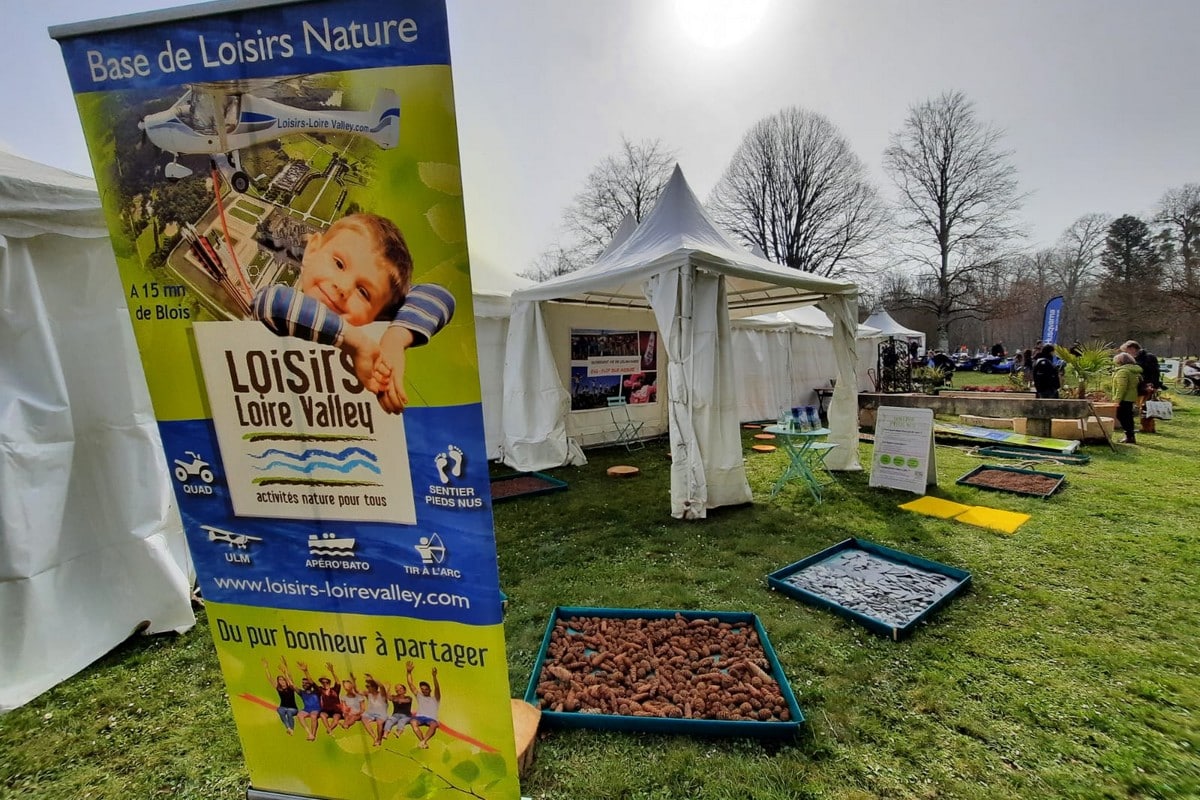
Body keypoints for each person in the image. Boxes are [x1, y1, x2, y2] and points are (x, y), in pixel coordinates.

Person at [252, 213, 455, 414]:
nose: (343, 287)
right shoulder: (283, 304)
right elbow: (273, 304)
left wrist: (395, 339)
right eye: (339, 264)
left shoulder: (376, 348)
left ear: (381, 314)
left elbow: (441, 296)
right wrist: (357, 345)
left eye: (363, 292)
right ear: (313, 250)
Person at [406, 661, 441, 748]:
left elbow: (437, 688)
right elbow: (411, 685)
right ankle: (423, 742)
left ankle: (424, 741)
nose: (423, 691)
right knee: (413, 722)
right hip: (420, 717)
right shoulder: (420, 696)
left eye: (426, 689)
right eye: (422, 689)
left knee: (434, 725)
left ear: (429, 690)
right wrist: (409, 672)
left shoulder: (435, 699)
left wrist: (434, 676)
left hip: (431, 719)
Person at [1111, 351, 1143, 444]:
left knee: (1122, 416)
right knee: (1127, 417)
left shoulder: (1123, 371)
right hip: (1131, 396)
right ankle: (1130, 436)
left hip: (1124, 398)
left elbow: (1122, 387)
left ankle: (1129, 436)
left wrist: (1117, 399)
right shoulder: (1134, 370)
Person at [263, 657, 298, 735]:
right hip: (283, 707)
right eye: (280, 680)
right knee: (279, 710)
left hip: (293, 709)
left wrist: (285, 666)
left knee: (289, 712)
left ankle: (292, 729)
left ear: (286, 680)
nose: (281, 681)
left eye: (283, 679)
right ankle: (288, 728)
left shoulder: (290, 687)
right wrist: (266, 668)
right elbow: (270, 679)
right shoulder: (279, 688)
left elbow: (289, 676)